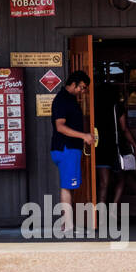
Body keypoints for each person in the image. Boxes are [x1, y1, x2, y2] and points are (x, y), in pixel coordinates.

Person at [51, 70, 95, 231]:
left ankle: (67, 223)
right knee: (67, 186)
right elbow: (60, 127)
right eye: (82, 87)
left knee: (68, 185)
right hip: (66, 148)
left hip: (67, 149)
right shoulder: (63, 100)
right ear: (73, 84)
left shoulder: (69, 99)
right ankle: (67, 224)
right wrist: (83, 136)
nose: (83, 91)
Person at [94, 83, 136, 207]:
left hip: (99, 148)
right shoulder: (117, 107)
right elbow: (124, 129)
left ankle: (101, 216)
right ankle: (114, 209)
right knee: (121, 179)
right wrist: (134, 145)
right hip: (115, 148)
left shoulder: (94, 107)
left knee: (103, 183)